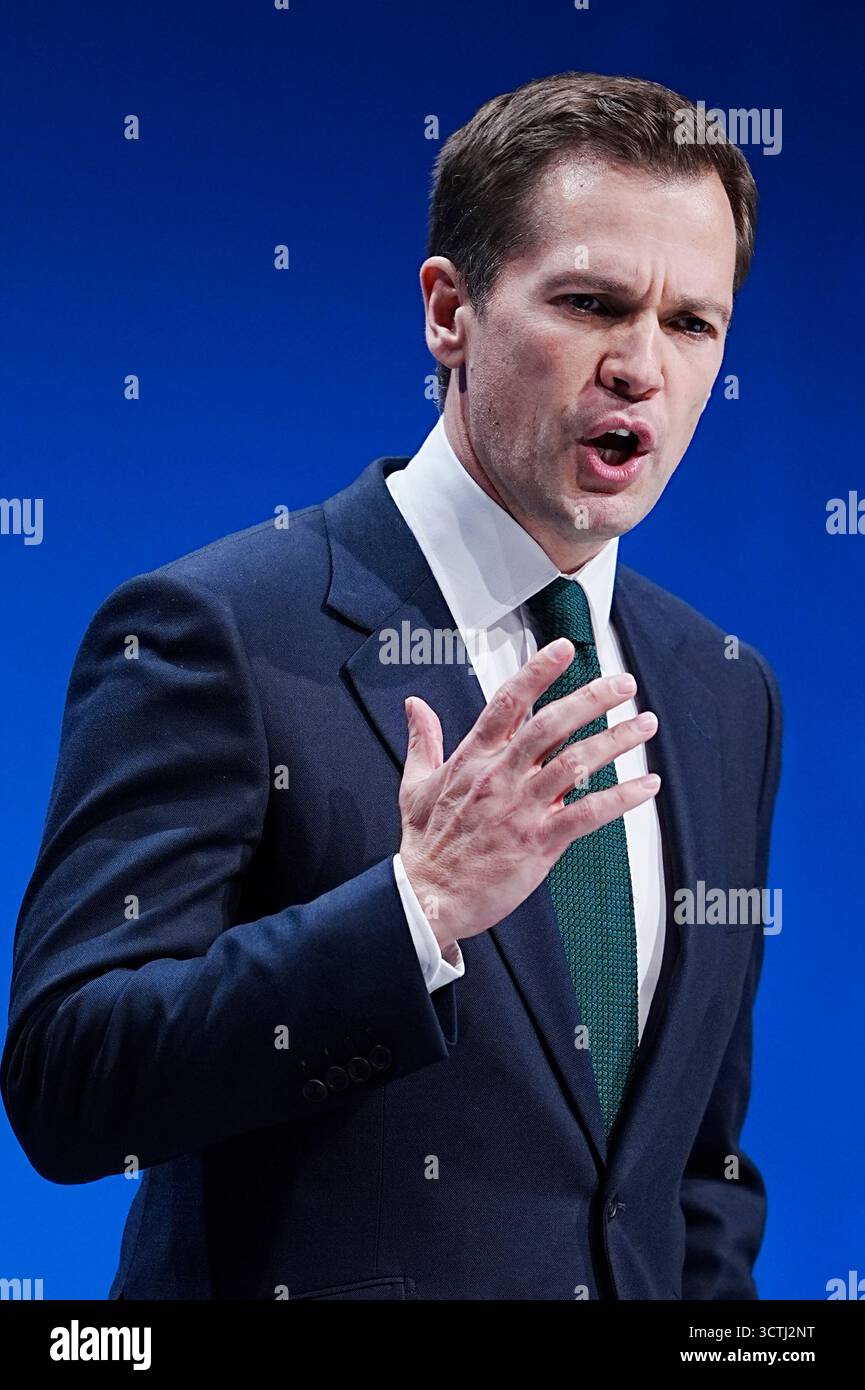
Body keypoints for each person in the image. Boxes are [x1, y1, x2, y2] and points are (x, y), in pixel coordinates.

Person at [1, 71, 781, 1300]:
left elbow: (687, 1164)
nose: (641, 366)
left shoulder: (723, 690)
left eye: (692, 324)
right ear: (448, 312)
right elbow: (68, 1083)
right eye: (590, 302)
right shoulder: (218, 632)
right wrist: (411, 910)